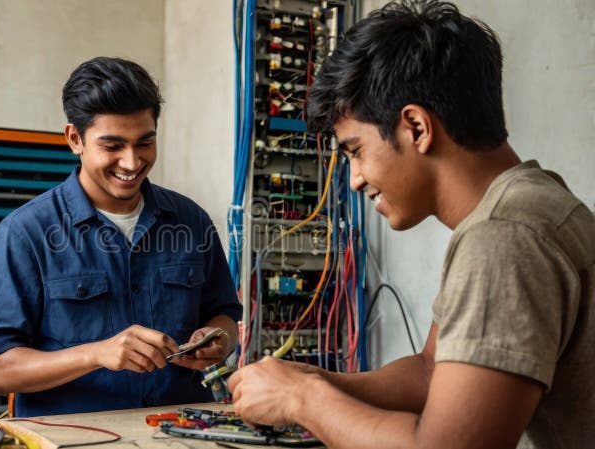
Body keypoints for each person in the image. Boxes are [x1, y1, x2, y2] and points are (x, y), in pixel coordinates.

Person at [227, 1, 594, 448]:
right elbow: (430, 373)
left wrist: (303, 398)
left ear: (416, 128)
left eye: (355, 151)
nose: (356, 178)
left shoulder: (504, 236)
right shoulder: (526, 202)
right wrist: (314, 380)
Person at [0, 57, 241, 417]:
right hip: (74, 440)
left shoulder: (191, 221)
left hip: (183, 431)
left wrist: (216, 340)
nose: (131, 162)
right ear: (74, 139)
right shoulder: (25, 233)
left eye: (144, 143)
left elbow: (223, 316)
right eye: (112, 146)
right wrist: (96, 354)